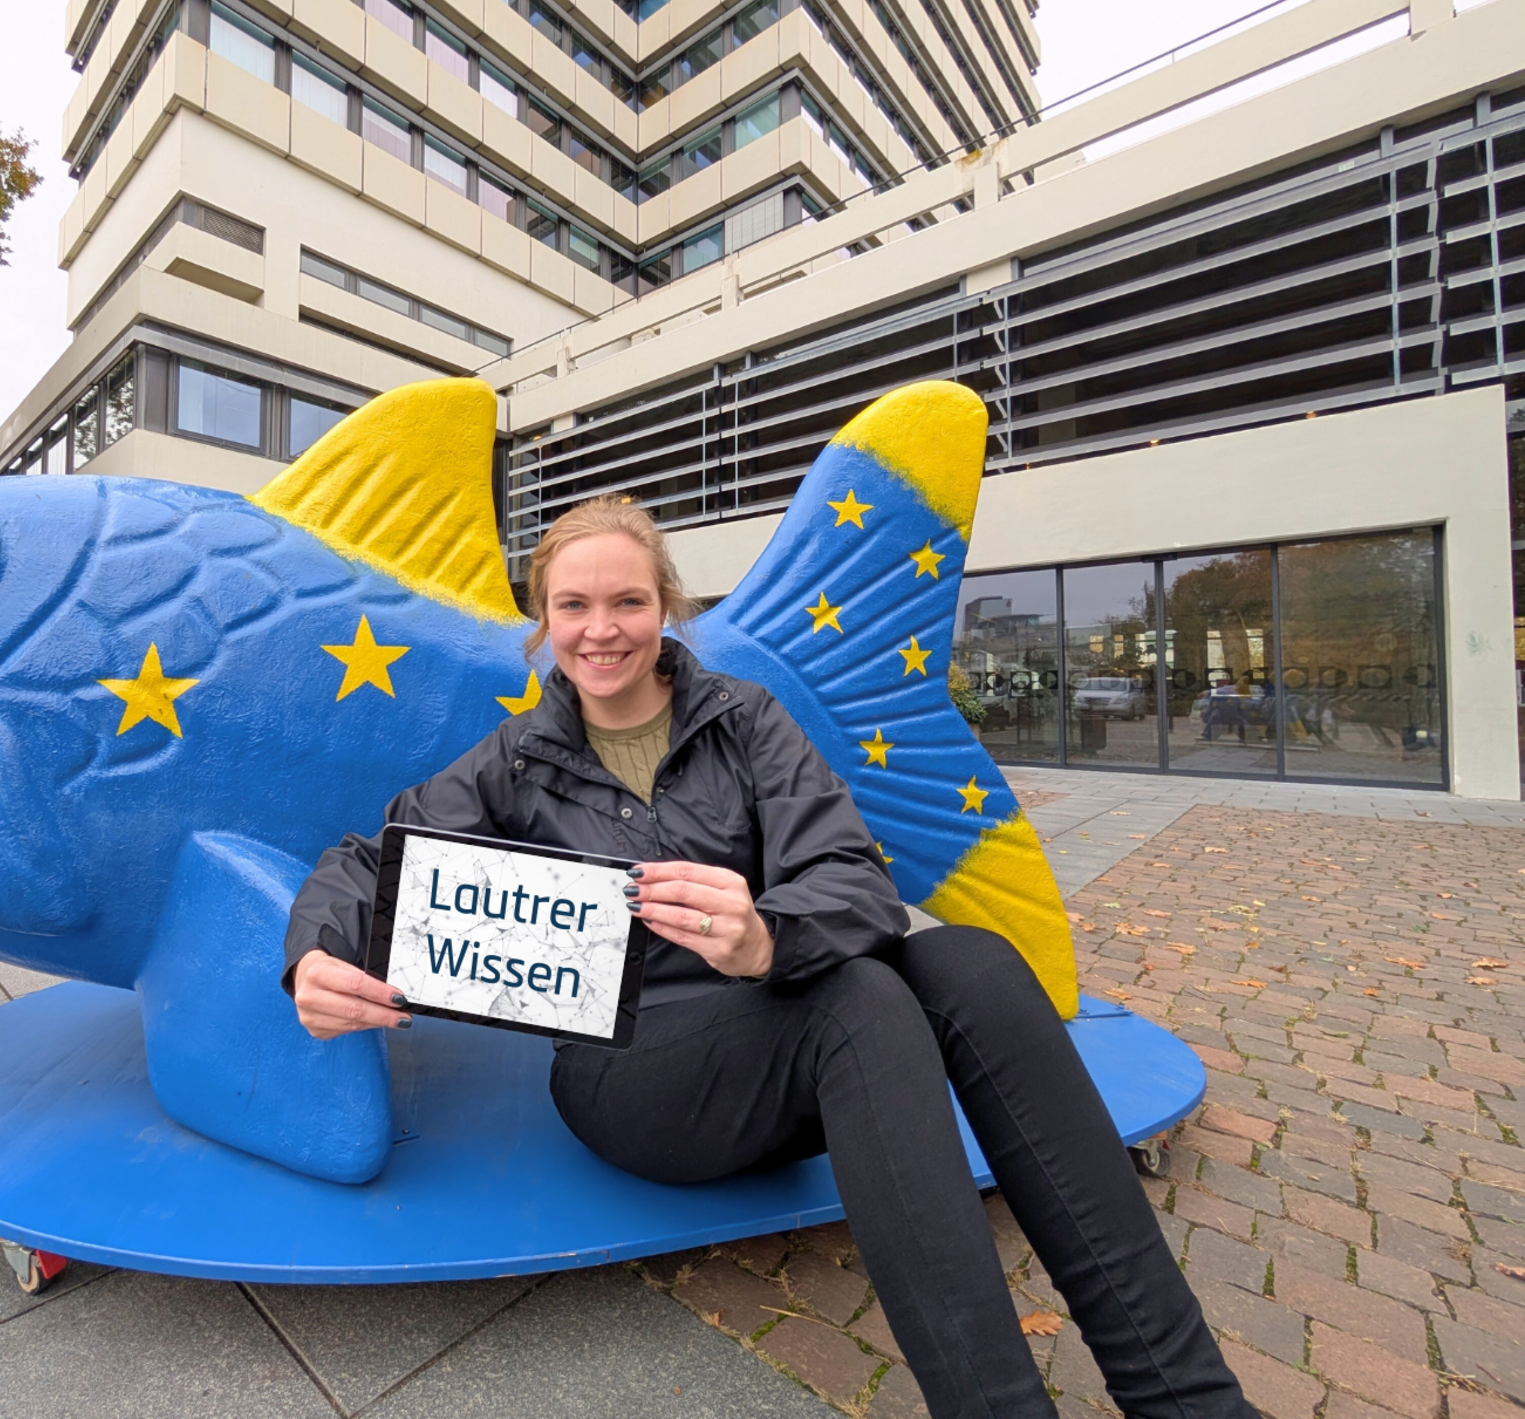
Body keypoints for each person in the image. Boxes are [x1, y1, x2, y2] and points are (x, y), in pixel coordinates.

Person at [283, 497, 1249, 1419]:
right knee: (860, 999)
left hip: (790, 1042)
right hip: (636, 1076)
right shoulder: (516, 758)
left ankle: (1187, 1396)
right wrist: (313, 957)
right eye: (573, 605)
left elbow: (854, 878)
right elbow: (370, 859)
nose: (602, 629)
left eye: (628, 600)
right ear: (542, 622)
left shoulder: (743, 720)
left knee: (977, 965)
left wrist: (764, 935)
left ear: (667, 608)